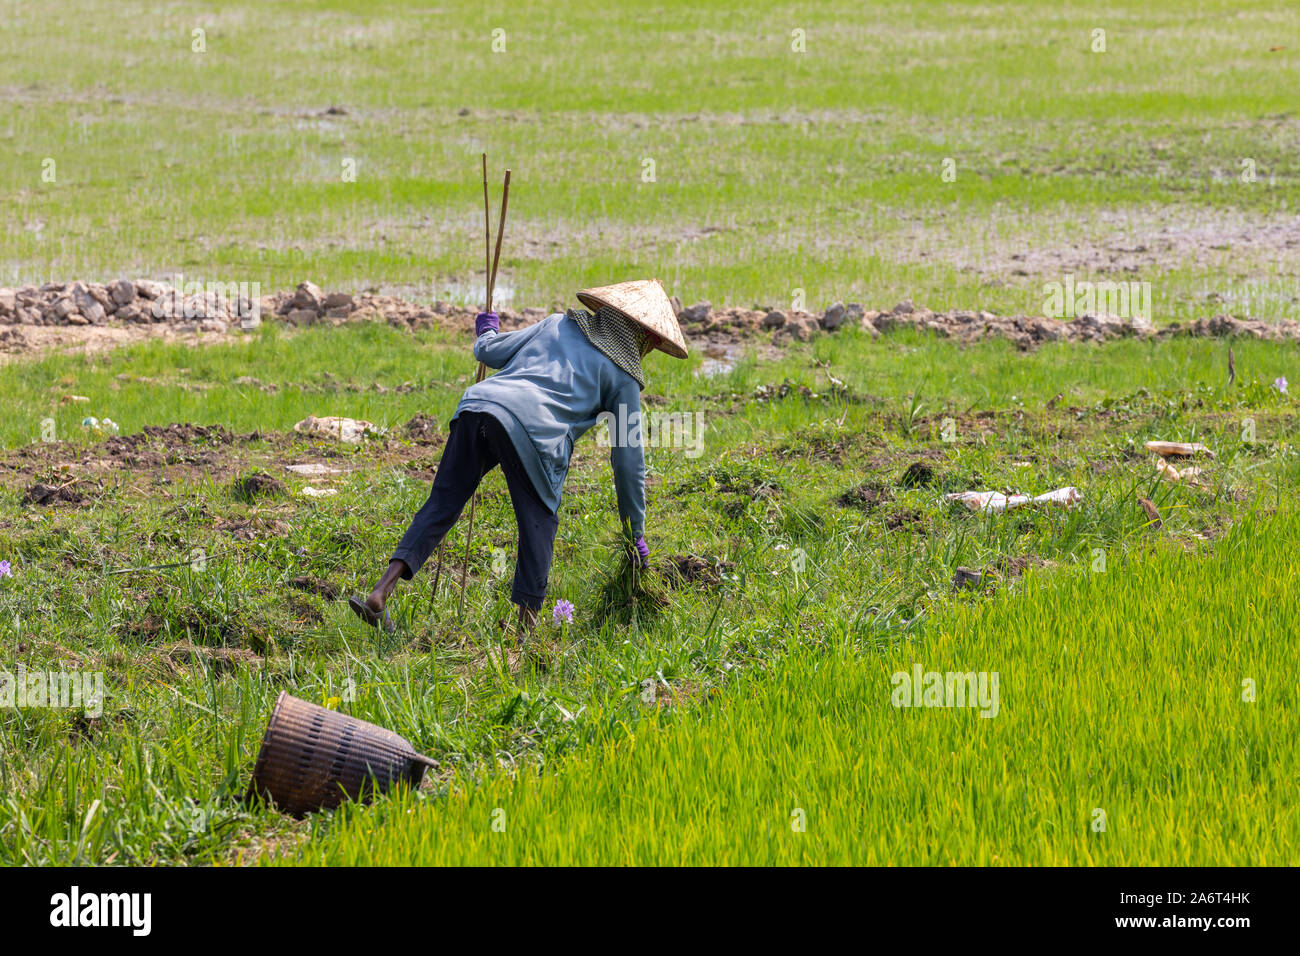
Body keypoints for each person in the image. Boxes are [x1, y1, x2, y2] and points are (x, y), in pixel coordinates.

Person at [350, 278, 689, 634]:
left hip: (478, 405)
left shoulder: (557, 324)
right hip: (533, 432)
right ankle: (523, 636)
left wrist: (487, 330)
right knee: (539, 525)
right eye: (651, 342)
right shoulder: (624, 379)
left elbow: (488, 352)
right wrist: (634, 533)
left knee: (442, 503)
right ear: (643, 337)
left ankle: (379, 593)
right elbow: (628, 462)